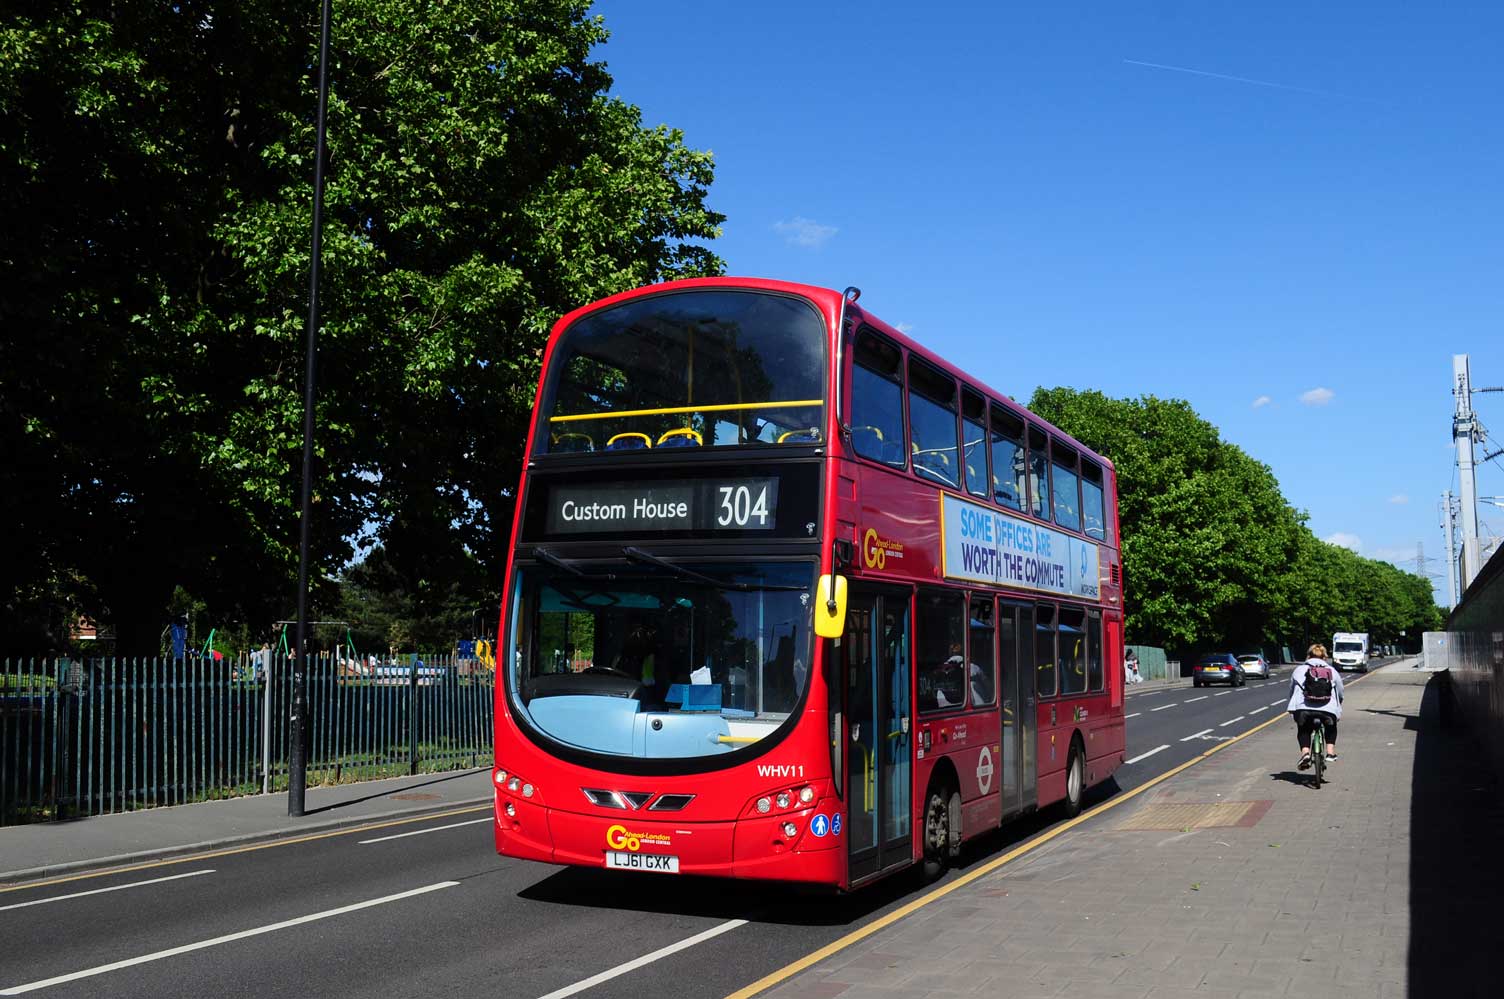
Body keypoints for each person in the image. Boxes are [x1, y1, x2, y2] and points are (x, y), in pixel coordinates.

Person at [1287, 643, 1344, 768]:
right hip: (1327, 709)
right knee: (1331, 727)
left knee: (1303, 729)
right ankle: (1330, 753)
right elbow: (1340, 691)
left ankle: (1306, 754)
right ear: (1324, 657)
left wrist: (1293, 706)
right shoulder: (1331, 671)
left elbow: (1292, 690)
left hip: (1303, 709)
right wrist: (1338, 703)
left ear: (1308, 656)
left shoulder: (1299, 670)